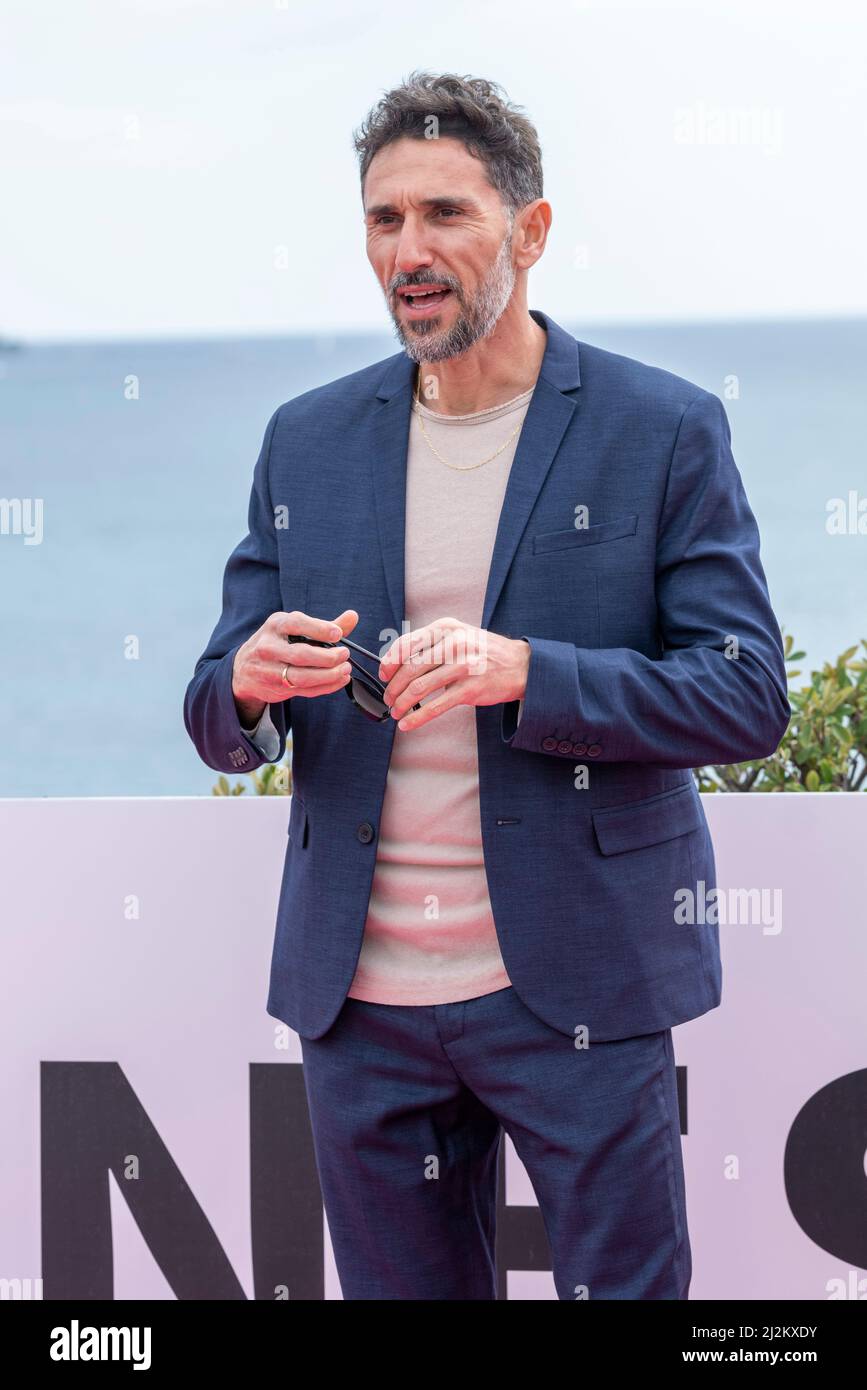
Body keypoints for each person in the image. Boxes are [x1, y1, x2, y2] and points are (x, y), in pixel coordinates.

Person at [184, 70, 790, 1300]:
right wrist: (245, 689)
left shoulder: (659, 428)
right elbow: (216, 705)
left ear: (531, 229)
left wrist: (527, 673)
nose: (409, 248)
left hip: (577, 988)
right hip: (359, 1005)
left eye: (445, 214)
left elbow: (745, 694)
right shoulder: (304, 440)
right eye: (383, 219)